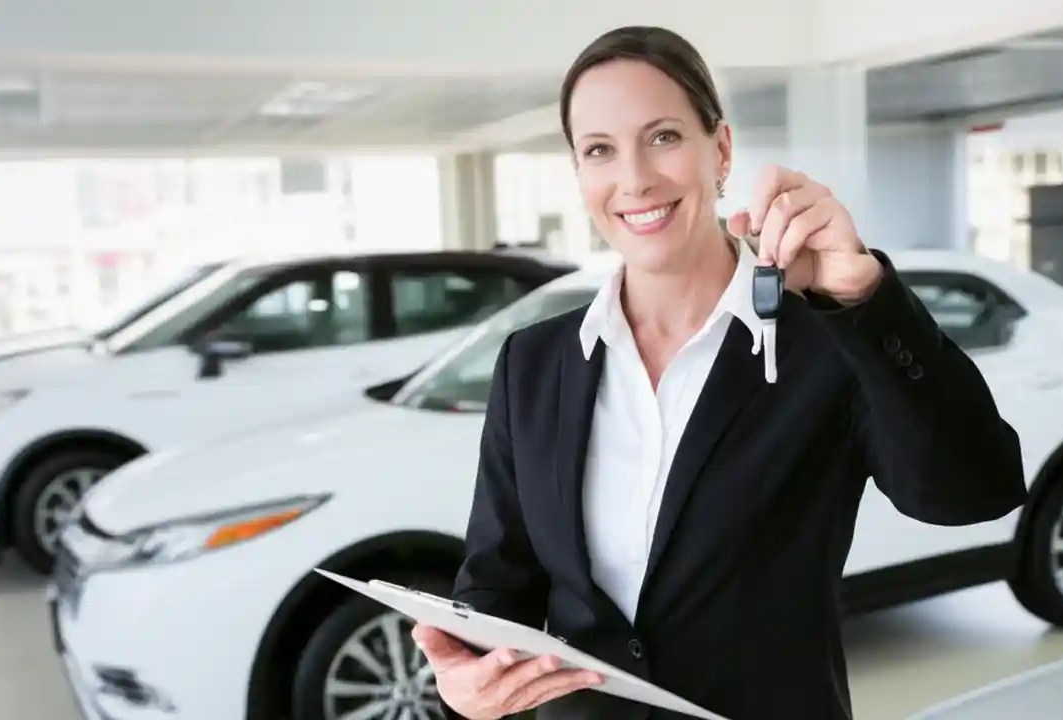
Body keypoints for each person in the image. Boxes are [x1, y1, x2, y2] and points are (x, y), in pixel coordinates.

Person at [412, 24, 1027, 720]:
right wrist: (462, 673)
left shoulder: (826, 343)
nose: (634, 177)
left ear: (722, 150)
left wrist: (865, 300)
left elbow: (975, 492)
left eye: (664, 137)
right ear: (579, 172)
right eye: (600, 150)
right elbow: (498, 579)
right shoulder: (534, 363)